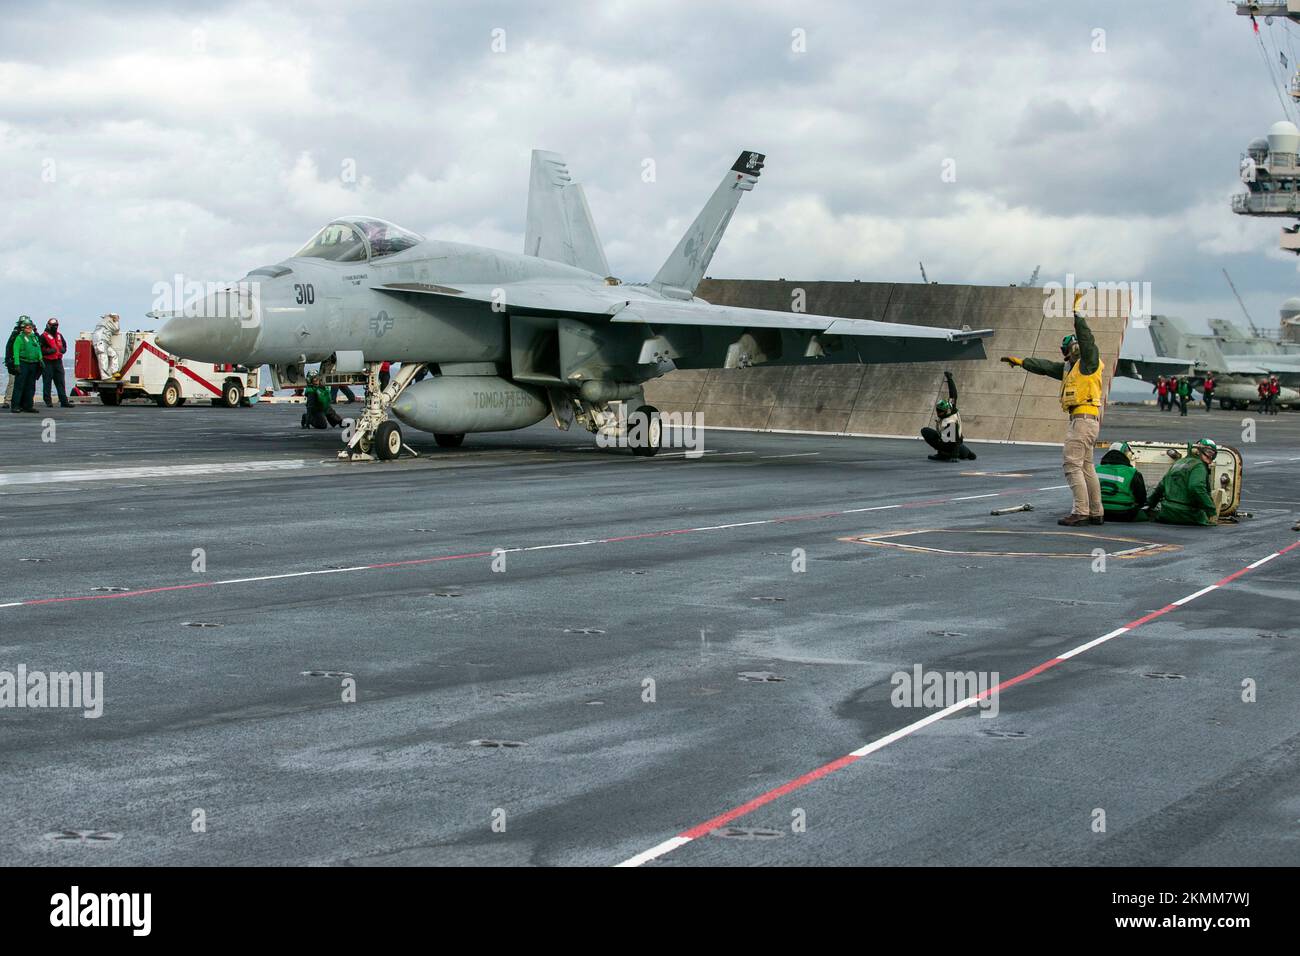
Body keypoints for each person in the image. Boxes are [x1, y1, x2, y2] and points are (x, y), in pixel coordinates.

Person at [1001, 291, 1105, 526]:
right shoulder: (1073, 370)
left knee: (1071, 465)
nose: (1064, 354)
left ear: (1075, 348)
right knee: (1087, 467)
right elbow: (1047, 367)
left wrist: (1077, 315)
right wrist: (1022, 362)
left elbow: (1088, 341)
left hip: (1082, 420)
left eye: (1065, 349)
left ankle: (1081, 511)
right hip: (1088, 420)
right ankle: (1096, 512)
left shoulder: (1088, 363)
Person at [1146, 439, 1220, 526]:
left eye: (1212, 454)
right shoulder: (1199, 466)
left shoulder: (1178, 462)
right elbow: (1196, 487)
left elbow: (1161, 486)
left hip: (1166, 514)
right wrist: (1211, 511)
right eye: (1208, 452)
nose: (1210, 456)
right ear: (1197, 451)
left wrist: (1149, 505)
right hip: (1188, 515)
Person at [920, 370, 976, 461]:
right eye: (938, 410)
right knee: (926, 431)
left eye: (940, 411)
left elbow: (955, 441)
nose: (938, 413)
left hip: (953, 443)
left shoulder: (949, 421)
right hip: (950, 439)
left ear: (945, 411)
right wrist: (950, 379)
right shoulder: (950, 407)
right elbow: (953, 394)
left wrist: (954, 456)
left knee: (928, 433)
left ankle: (946, 454)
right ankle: (966, 453)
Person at [1095, 441, 1148, 521]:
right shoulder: (1132, 472)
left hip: (1098, 511)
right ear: (1125, 454)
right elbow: (1141, 498)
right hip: (1124, 513)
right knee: (1145, 515)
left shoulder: (1096, 469)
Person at [10, 317, 43, 413]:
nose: (29, 329)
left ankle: (28, 406)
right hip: (23, 363)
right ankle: (15, 405)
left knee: (31, 386)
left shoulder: (34, 338)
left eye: (30, 327)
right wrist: (17, 364)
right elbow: (15, 351)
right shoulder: (19, 338)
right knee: (19, 385)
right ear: (23, 328)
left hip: (33, 363)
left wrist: (40, 359)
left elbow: (38, 349)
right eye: (27, 327)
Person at [39, 318, 71, 408]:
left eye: (56, 325)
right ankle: (48, 401)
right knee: (47, 382)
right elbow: (40, 349)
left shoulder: (59, 335)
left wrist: (63, 350)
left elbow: (64, 345)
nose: (55, 327)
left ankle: (64, 401)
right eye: (54, 326)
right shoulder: (43, 336)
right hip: (48, 361)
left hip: (58, 361)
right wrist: (49, 351)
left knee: (60, 382)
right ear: (49, 325)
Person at [92, 313, 121, 378]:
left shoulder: (102, 322)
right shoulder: (108, 321)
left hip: (104, 342)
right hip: (101, 341)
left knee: (113, 354)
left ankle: (114, 371)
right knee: (103, 358)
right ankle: (105, 377)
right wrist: (116, 321)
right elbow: (116, 329)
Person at [3, 317, 24, 406]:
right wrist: (9, 360)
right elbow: (9, 348)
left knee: (23, 382)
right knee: (12, 382)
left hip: (24, 361)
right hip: (14, 361)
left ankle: (20, 401)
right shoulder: (15, 334)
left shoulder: (31, 335)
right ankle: (7, 400)